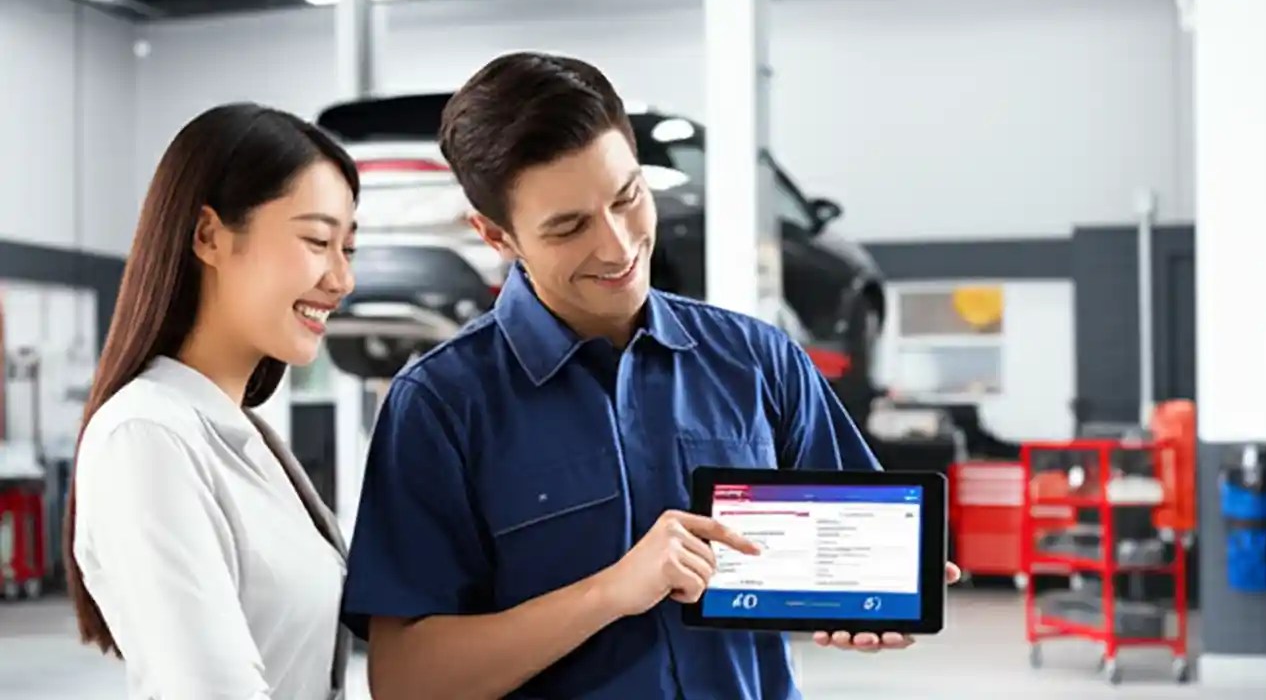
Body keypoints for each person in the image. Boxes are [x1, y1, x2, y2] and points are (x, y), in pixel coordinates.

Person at [340, 52, 959, 700]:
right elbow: (407, 681)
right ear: (497, 235)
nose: (617, 246)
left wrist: (871, 594)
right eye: (569, 226)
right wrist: (612, 591)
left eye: (627, 197)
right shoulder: (442, 406)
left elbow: (860, 542)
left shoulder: (759, 362)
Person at [64, 103, 360, 700]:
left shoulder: (244, 438)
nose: (341, 278)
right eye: (317, 240)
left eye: (347, 248)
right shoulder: (146, 436)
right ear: (209, 236)